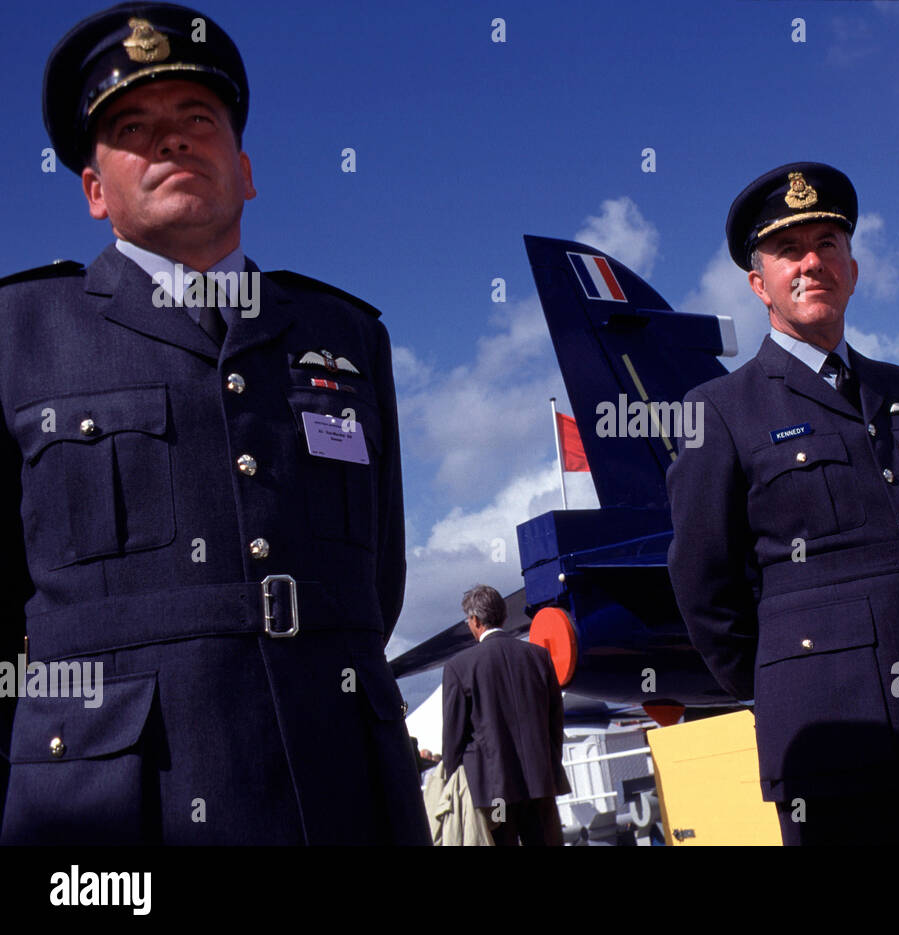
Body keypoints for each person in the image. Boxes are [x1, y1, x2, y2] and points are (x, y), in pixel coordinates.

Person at [0, 3, 428, 844]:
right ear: (93, 191)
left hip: (343, 790)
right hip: (114, 812)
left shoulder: (343, 334)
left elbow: (379, 577)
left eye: (198, 118)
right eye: (132, 127)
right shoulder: (18, 336)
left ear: (245, 167)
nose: (171, 139)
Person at [666, 162, 899, 845]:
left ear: (852, 268)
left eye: (828, 243)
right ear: (759, 282)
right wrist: (792, 675)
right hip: (836, 736)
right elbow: (704, 581)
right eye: (789, 250)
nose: (812, 261)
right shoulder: (719, 409)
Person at [441, 585, 570, 846]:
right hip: (540, 781)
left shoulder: (458, 667)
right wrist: (548, 762)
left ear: (475, 621)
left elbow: (453, 739)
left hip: (490, 789)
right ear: (503, 615)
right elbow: (555, 722)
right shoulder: (538, 657)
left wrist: (454, 777)